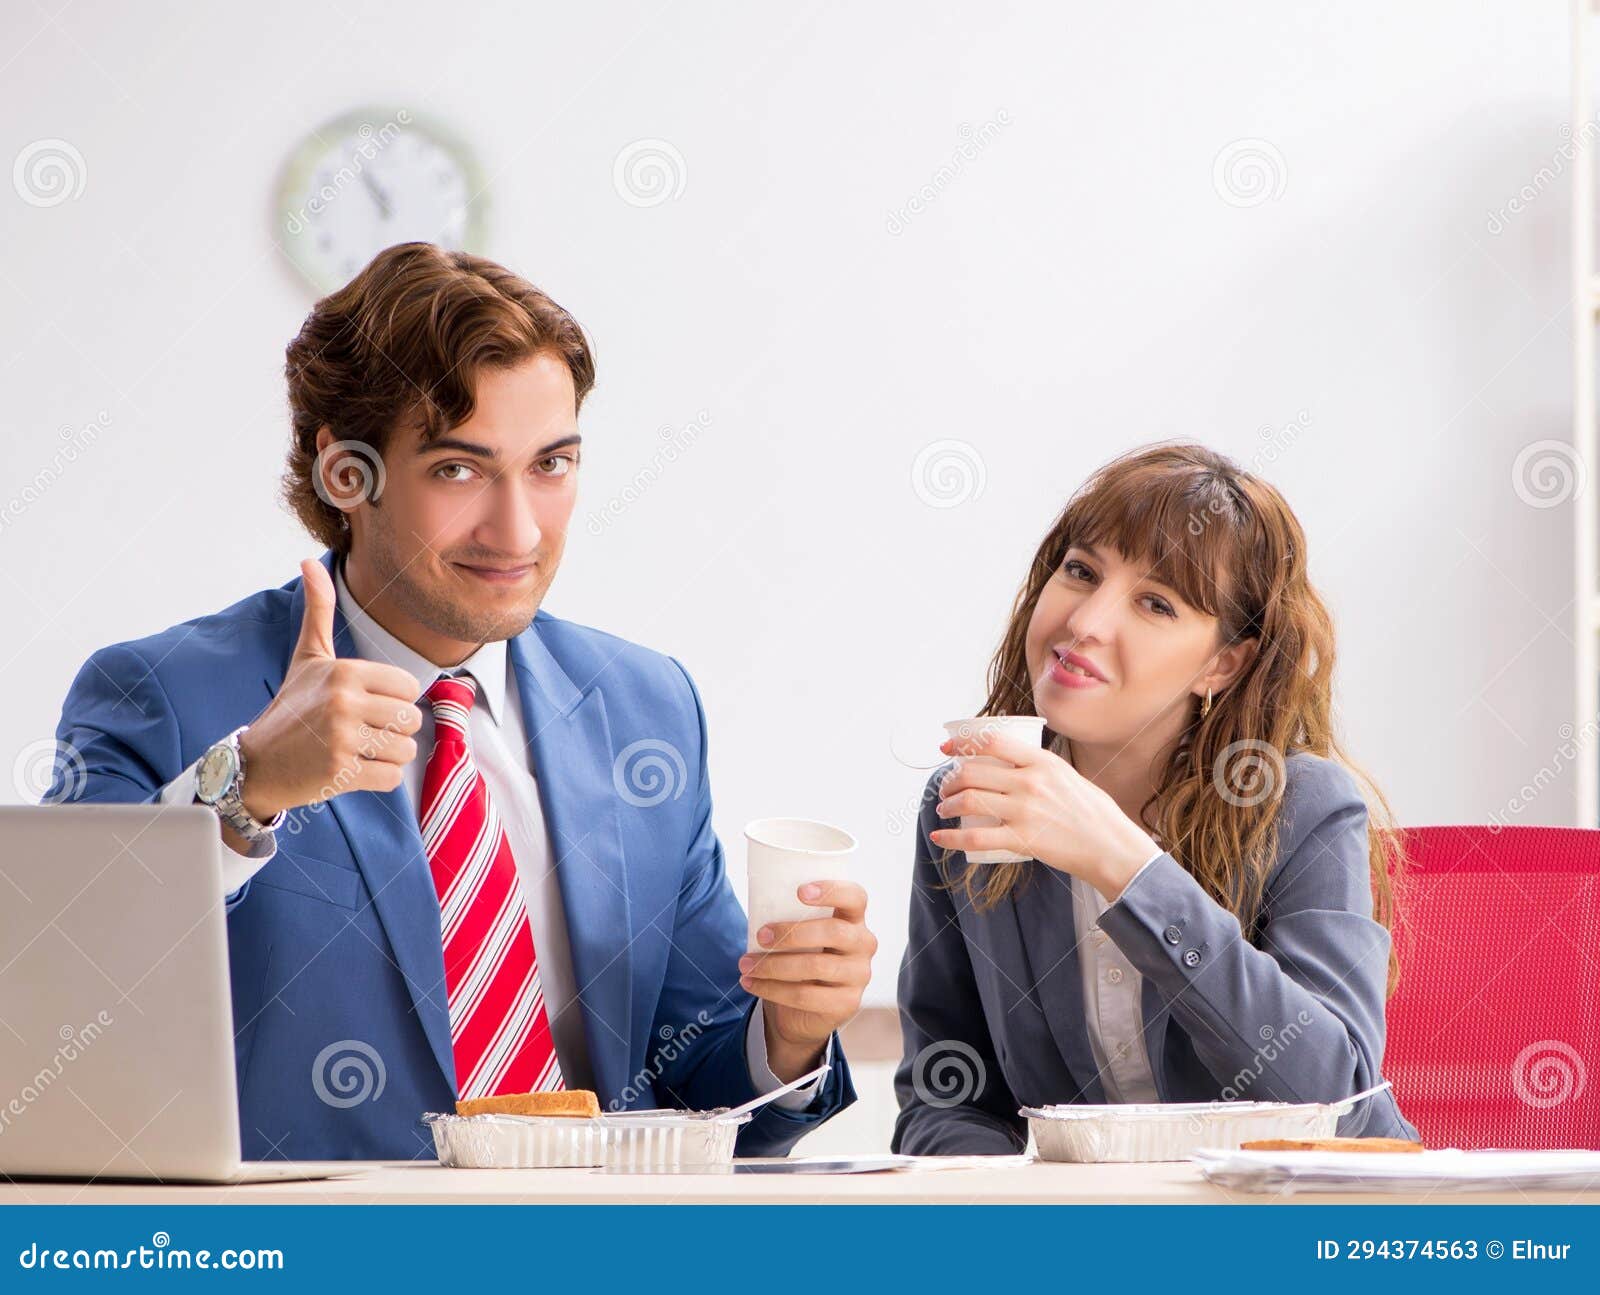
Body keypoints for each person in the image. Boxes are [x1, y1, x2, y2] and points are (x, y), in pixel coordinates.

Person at [47, 242, 871, 1160]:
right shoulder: (161, 694)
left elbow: (696, 1085)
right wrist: (243, 788)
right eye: (458, 470)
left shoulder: (645, 707)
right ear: (347, 473)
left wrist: (788, 1030)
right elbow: (62, 1002)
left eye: (551, 464)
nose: (517, 530)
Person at [893, 441, 1419, 1154]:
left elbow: (1337, 1101)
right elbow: (945, 1096)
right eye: (1080, 571)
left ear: (1221, 663)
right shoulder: (971, 801)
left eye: (1155, 603)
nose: (1085, 622)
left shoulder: (1303, 805)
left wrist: (1128, 867)